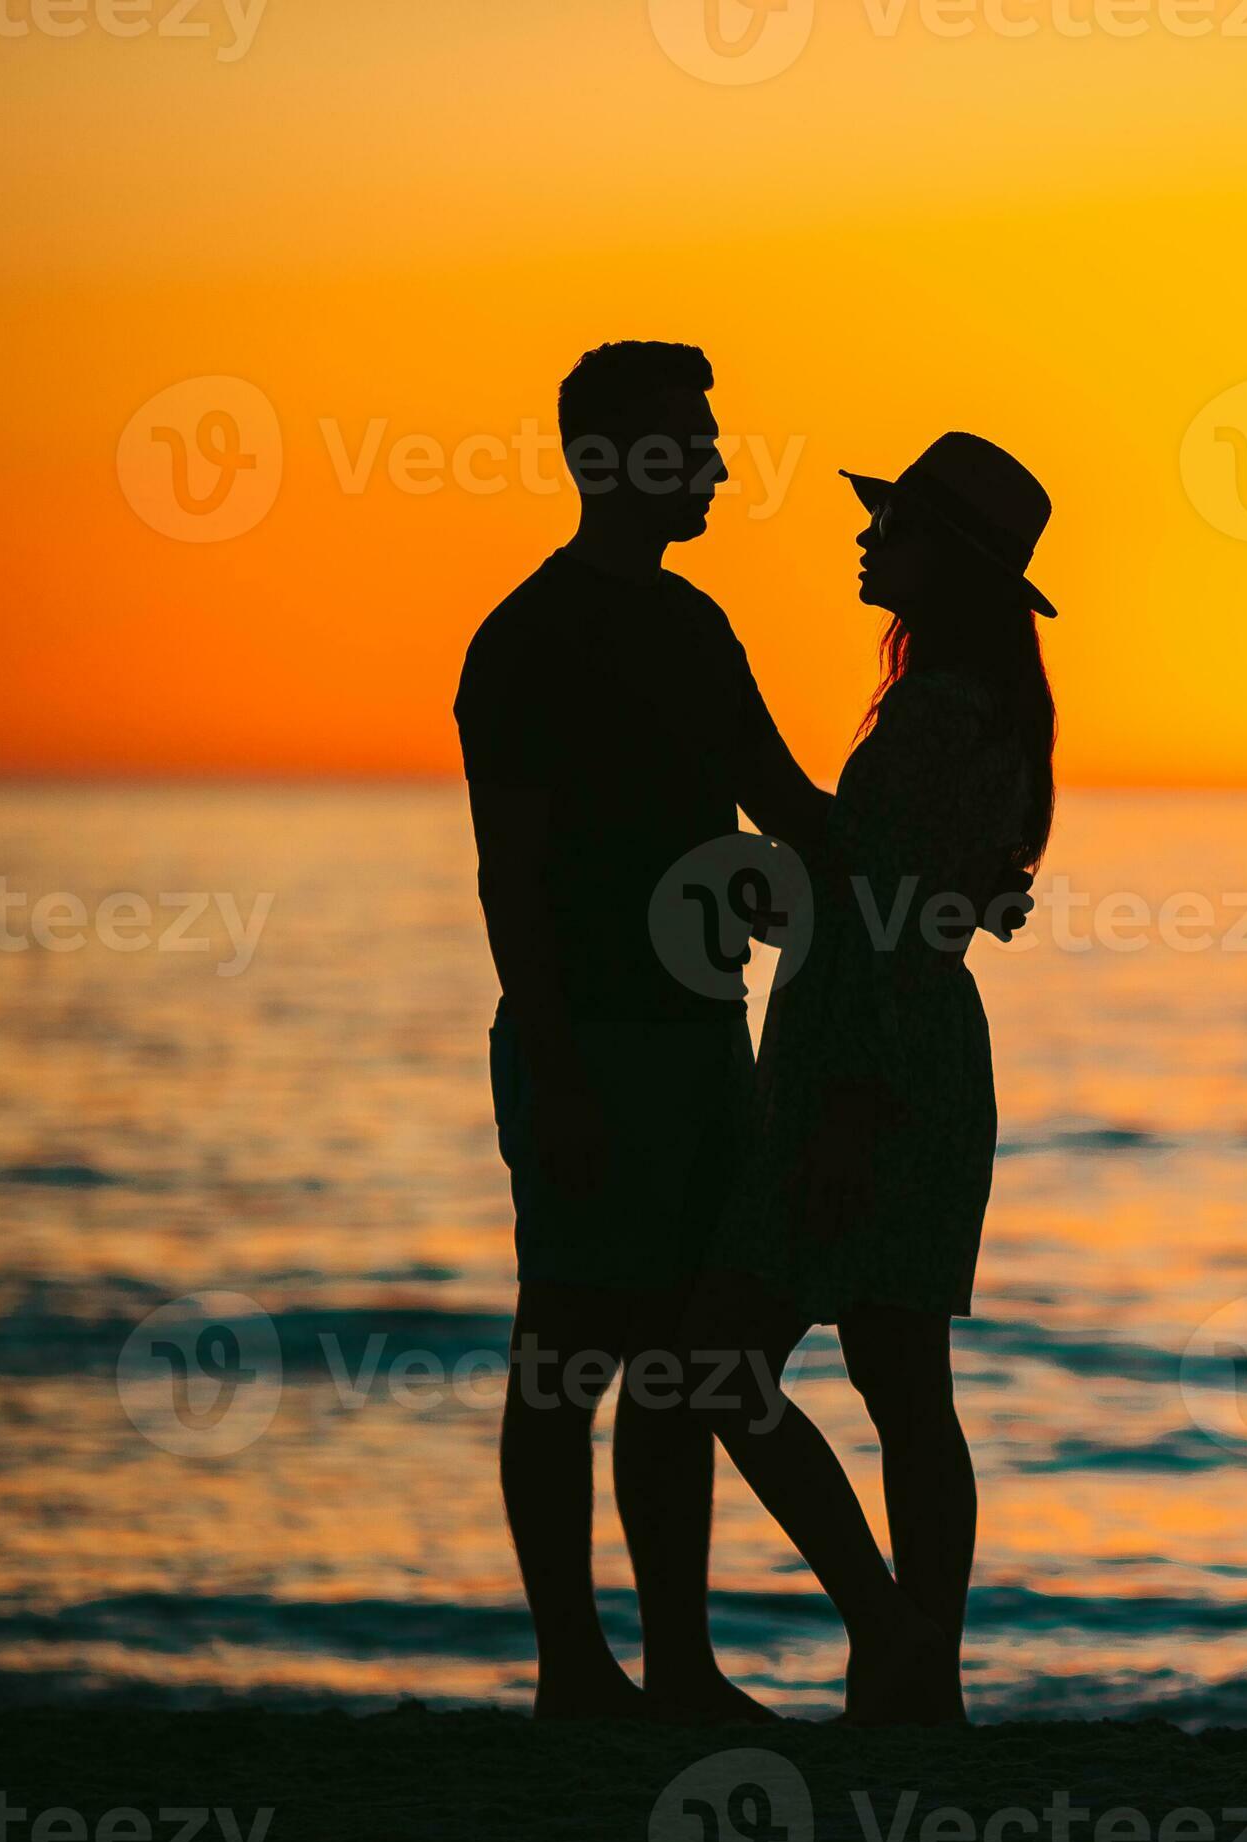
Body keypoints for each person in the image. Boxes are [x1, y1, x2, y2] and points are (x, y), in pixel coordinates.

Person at [455, 341, 829, 1722]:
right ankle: (572, 1666)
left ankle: (677, 1664)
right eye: (690, 440)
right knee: (565, 1349)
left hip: (699, 1035)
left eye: (715, 439)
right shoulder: (527, 641)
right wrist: (556, 1069)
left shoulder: (696, 627)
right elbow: (511, 872)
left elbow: (780, 795)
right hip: (589, 1035)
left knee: (680, 1354)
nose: (720, 464)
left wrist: (925, 862)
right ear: (606, 458)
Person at [680, 433, 1058, 1725]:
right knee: (906, 1392)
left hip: (870, 1062)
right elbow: (890, 892)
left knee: (724, 1361)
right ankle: (920, 1675)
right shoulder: (976, 704)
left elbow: (870, 898)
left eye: (885, 523)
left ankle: (890, 1631)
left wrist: (744, 753)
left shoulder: (942, 713)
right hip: (908, 1053)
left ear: (937, 558)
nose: (861, 539)